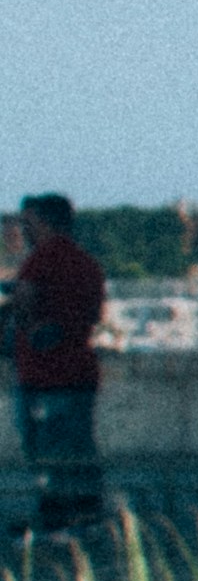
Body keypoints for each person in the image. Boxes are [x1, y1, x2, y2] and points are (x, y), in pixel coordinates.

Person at [8, 195, 105, 528]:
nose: (24, 230)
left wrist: (26, 324)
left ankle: (55, 521)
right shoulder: (88, 264)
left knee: (47, 454)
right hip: (80, 373)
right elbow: (92, 315)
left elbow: (23, 300)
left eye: (28, 223)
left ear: (45, 222)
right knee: (79, 452)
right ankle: (87, 515)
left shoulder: (43, 259)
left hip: (44, 376)